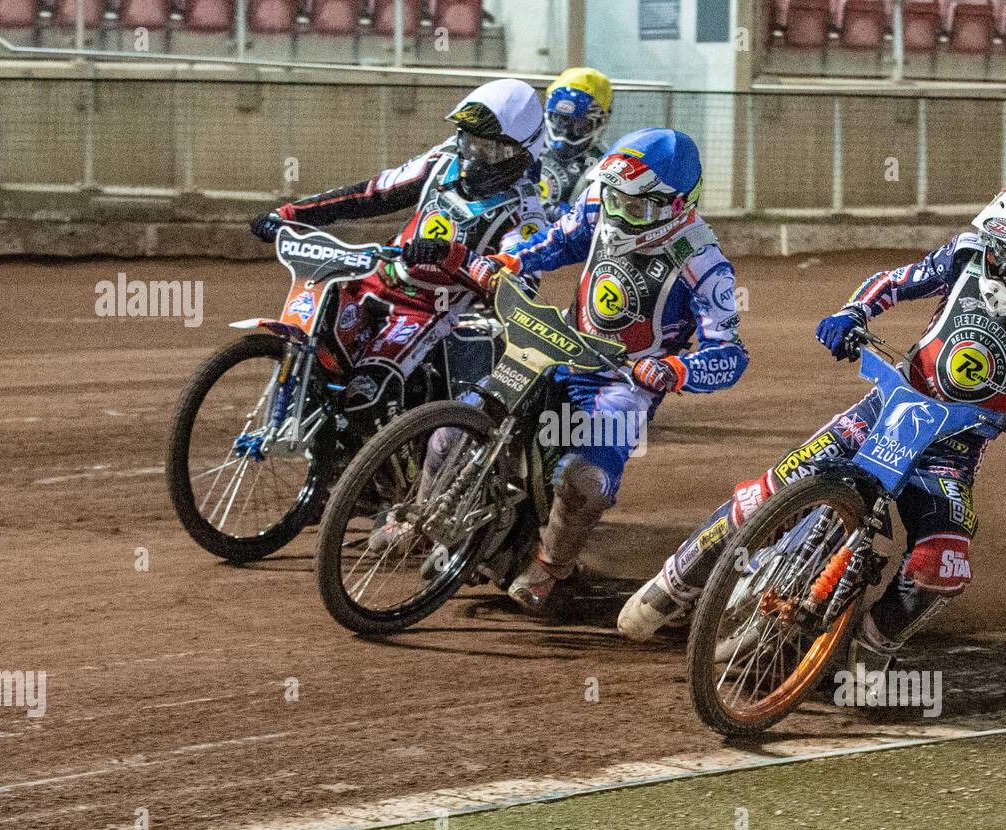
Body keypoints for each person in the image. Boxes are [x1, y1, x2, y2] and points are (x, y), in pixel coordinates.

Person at [618, 171, 1006, 676]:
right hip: (884, 410)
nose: (1004, 265)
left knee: (941, 567)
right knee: (765, 494)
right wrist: (852, 313)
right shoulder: (965, 254)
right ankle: (673, 583)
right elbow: (896, 282)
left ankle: (872, 650)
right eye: (998, 249)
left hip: (951, 455)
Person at [417, 127, 749, 612]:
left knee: (586, 479)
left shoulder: (704, 262)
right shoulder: (600, 208)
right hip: (559, 346)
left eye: (635, 205)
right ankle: (417, 517)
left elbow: (730, 353)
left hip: (625, 378)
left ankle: (553, 565)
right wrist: (505, 261)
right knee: (456, 426)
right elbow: (553, 243)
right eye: (614, 195)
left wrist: (676, 369)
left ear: (676, 204)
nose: (619, 211)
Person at [248, 78, 548, 430]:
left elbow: (519, 287)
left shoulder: (525, 213)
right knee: (320, 349)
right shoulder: (441, 162)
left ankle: (393, 476)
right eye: (468, 142)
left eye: (488, 150)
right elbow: (371, 194)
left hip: (426, 309)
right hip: (373, 278)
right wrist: (291, 214)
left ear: (521, 153)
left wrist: (453, 257)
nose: (473, 157)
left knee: (367, 395)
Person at [537, 67, 614, 218]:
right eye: (561, 121)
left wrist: (572, 216)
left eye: (580, 125)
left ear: (600, 122)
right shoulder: (530, 143)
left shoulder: (603, 166)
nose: (566, 132)